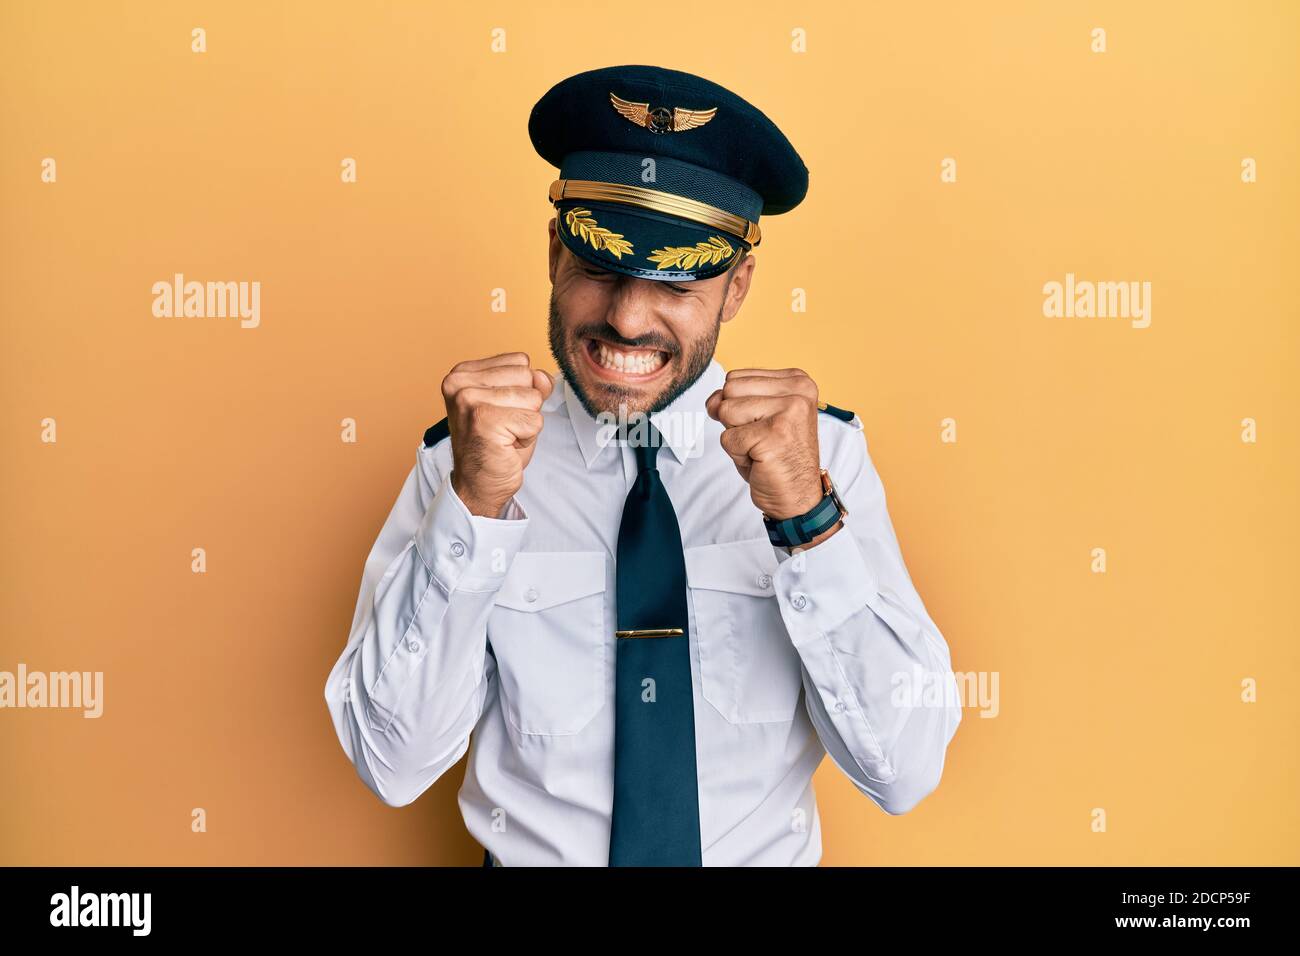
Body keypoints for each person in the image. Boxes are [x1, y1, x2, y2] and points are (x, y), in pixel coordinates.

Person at [324, 65, 961, 866]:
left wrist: (808, 521)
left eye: (678, 280)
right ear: (555, 248)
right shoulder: (464, 463)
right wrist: (473, 513)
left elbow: (904, 770)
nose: (627, 319)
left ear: (736, 289)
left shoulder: (825, 460)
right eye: (602, 264)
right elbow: (391, 764)